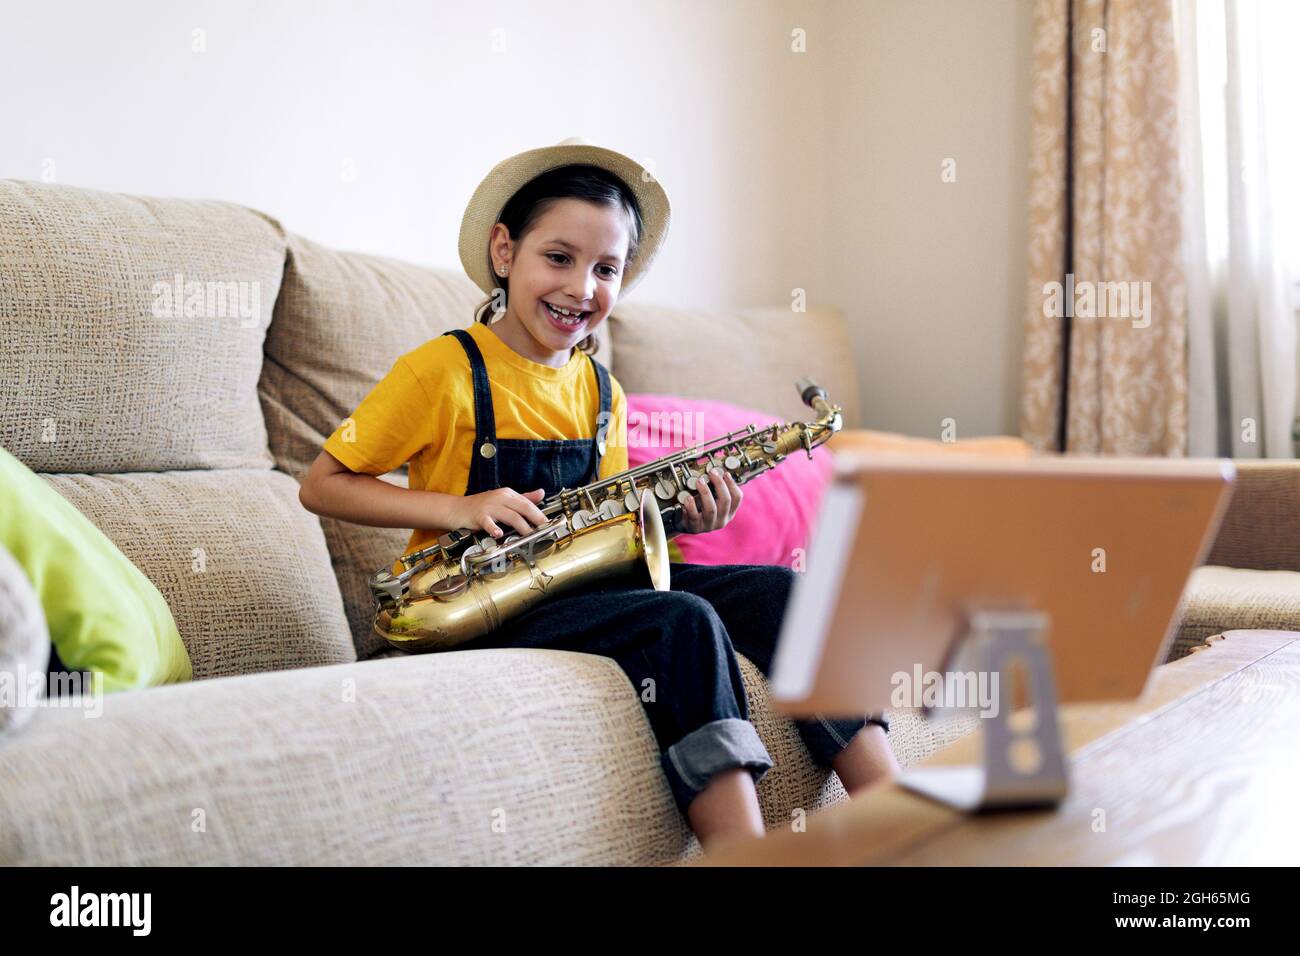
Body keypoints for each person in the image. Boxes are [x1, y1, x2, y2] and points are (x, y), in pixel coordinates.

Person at [298, 137, 898, 850]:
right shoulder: (442, 371)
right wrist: (455, 509)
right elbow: (320, 484)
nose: (582, 288)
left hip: (580, 592)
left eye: (606, 269)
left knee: (781, 591)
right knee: (683, 621)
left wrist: (687, 516)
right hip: (476, 604)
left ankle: (900, 819)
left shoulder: (601, 391)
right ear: (503, 250)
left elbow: (614, 536)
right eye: (559, 258)